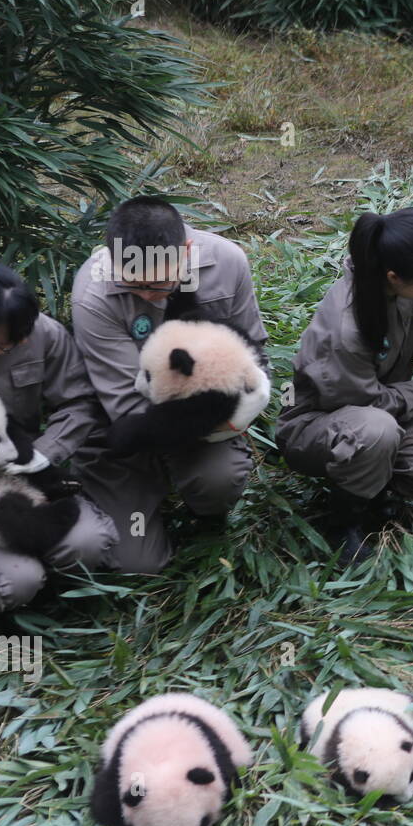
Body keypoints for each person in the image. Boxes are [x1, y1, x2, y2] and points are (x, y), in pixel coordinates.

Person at [70, 197, 268, 573]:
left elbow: (253, 352)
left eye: (156, 282)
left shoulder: (228, 262)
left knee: (218, 479)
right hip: (129, 420)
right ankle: (142, 487)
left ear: (187, 251)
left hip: (202, 414)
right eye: (134, 284)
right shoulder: (92, 293)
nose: (146, 294)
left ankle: (203, 508)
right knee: (137, 565)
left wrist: (231, 405)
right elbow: (130, 408)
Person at [276, 208, 413, 565]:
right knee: (375, 431)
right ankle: (345, 520)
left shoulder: (406, 278)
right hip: (322, 424)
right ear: (393, 277)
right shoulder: (348, 328)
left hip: (386, 414)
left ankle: (373, 481)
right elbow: (371, 403)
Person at [0, 261, 118, 610]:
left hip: (18, 474)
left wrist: (37, 461)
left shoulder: (39, 333)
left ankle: (47, 575)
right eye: (11, 343)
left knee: (88, 543)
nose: (25, 342)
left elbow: (80, 402)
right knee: (15, 583)